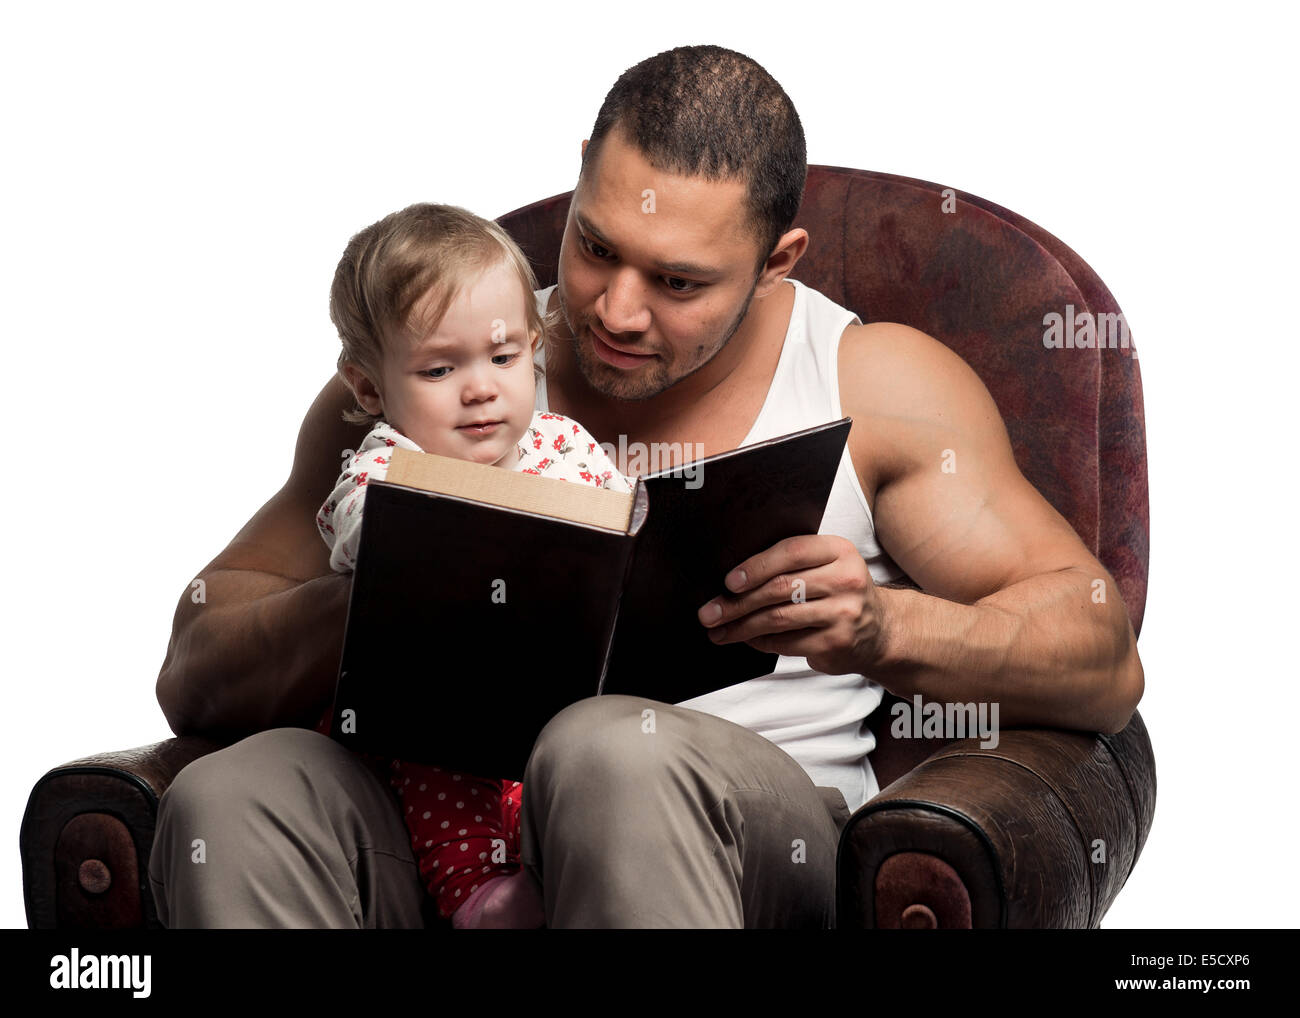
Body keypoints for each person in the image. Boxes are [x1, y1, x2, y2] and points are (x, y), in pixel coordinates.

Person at [148, 44, 1144, 929]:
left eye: (677, 282)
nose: (615, 312)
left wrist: (884, 627)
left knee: (608, 749)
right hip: (439, 824)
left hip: (739, 839)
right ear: (582, 172)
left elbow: (1102, 656)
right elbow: (196, 663)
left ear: (775, 261)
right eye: (595, 247)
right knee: (233, 796)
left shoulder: (874, 383)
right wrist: (378, 597)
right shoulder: (435, 380)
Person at [314, 203, 630, 928]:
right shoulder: (386, 465)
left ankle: (560, 865)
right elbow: (363, 530)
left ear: (534, 347)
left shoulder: (563, 445)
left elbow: (628, 527)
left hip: (556, 697)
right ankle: (473, 894)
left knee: (593, 759)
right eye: (439, 368)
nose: (481, 387)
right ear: (369, 388)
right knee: (437, 764)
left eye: (503, 357)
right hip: (438, 704)